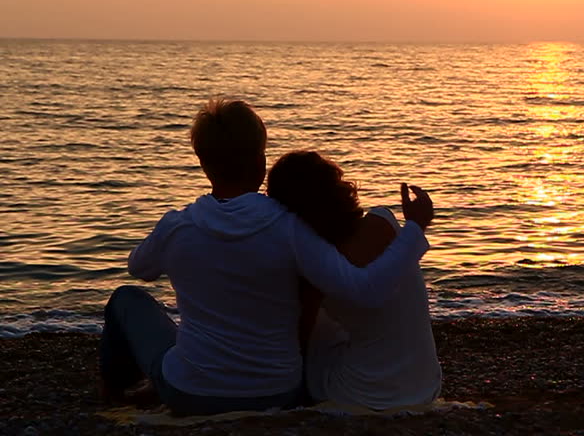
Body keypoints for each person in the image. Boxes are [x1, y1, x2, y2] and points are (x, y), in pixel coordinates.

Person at [99, 99, 434, 416]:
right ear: (260, 160)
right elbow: (362, 289)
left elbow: (138, 267)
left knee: (126, 300)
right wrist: (415, 229)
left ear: (202, 163)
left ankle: (119, 390)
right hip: (278, 392)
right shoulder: (289, 227)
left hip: (190, 394)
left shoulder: (177, 226)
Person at [266, 151, 441, 410]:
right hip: (426, 386)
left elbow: (301, 339)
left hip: (361, 394)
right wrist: (415, 226)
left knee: (314, 320)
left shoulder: (315, 265)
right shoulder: (382, 221)